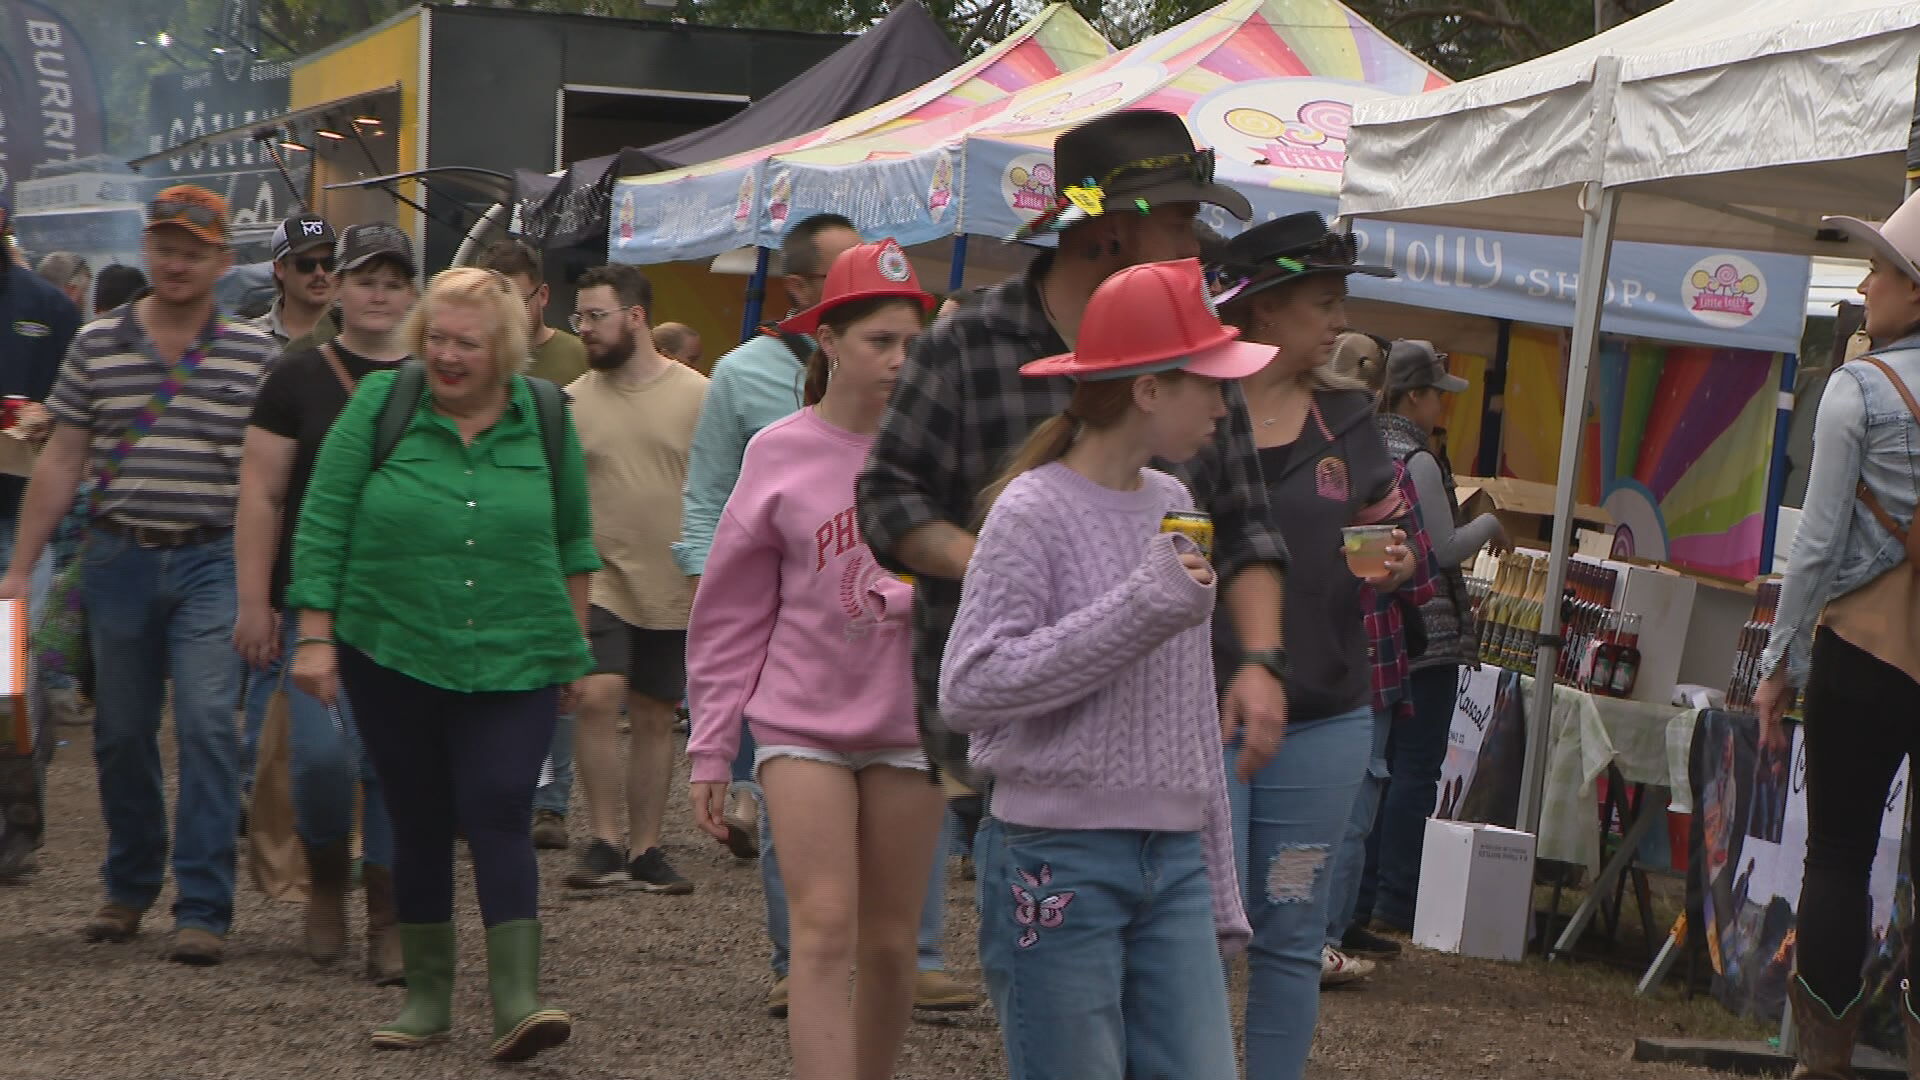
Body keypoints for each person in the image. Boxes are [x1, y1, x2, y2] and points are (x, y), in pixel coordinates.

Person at [857, 108, 1292, 822]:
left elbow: (1245, 522)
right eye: (1181, 223)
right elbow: (887, 503)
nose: (1197, 247)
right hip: (1005, 738)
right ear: (1108, 231)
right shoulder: (965, 344)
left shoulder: (1200, 352)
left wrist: (1262, 659)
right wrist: (1011, 563)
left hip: (1158, 738)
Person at [940, 257, 1268, 1080]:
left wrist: (1217, 882)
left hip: (1174, 860)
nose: (1225, 407)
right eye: (1209, 384)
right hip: (1057, 853)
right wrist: (1137, 609)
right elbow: (969, 687)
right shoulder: (1031, 510)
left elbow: (1188, 709)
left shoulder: (1173, 502)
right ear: (1149, 389)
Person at [287, 266, 596, 1062]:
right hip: (392, 645)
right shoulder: (381, 405)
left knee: (498, 806)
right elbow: (323, 519)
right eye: (437, 340)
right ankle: (426, 999)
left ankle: (516, 1000)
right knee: (417, 814)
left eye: (468, 343)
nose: (448, 357)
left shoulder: (550, 416)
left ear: (506, 350)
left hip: (518, 647)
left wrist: (574, 645)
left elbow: (573, 543)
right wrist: (316, 635)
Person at [677, 213, 980, 1015]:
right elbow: (730, 617)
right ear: (830, 342)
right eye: (878, 340)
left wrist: (921, 590)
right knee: (822, 930)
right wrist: (712, 749)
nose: (897, 360)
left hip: (912, 725)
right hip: (801, 724)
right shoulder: (778, 451)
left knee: (891, 946)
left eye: (912, 343)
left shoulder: (946, 455)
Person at [0, 186, 276, 963]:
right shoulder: (95, 343)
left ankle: (203, 905)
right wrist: (20, 569)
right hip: (118, 557)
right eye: (165, 246)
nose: (177, 262)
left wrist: (265, 589)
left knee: (207, 725)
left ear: (222, 261)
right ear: (146, 248)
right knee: (120, 735)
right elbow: (61, 458)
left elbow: (267, 481)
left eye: (193, 250)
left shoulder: (256, 355)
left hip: (212, 561)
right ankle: (127, 887)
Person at [1207, 212, 1415, 1080]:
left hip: (1326, 711)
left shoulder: (1347, 417)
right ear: (1261, 309)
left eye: (1341, 302)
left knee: (1291, 931)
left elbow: (1386, 538)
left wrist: (1393, 560)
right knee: (1200, 931)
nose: (1339, 322)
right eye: (1322, 304)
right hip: (1200, 710)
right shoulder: (1194, 404)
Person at [1753, 190, 1920, 1075]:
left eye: (1881, 270)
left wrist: (1780, 663)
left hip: (1859, 652)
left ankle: (1823, 1068)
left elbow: (1814, 548)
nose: (1864, 284)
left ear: (1917, 293)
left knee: (1840, 858)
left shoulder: (1859, 390)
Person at [235, 224, 418, 984]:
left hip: (409, 610)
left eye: (392, 279)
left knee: (395, 768)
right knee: (318, 760)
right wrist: (254, 598)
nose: (377, 292)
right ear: (335, 287)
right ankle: (326, 881)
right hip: (311, 608)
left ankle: (388, 915)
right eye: (362, 277)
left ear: (413, 292)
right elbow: (262, 491)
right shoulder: (293, 377)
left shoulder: (437, 375)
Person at [1355, 339, 1507, 940]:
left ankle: (1363, 898)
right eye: (1438, 394)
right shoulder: (1417, 459)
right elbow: (1443, 551)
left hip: (1379, 631)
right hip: (1428, 631)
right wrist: (1491, 523)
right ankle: (1396, 900)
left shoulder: (1363, 446)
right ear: (1414, 395)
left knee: (1377, 771)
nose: (1442, 406)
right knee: (1414, 771)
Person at [561, 263, 704, 895]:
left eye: (597, 315)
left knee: (653, 713)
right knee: (597, 696)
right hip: (599, 578)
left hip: (675, 581)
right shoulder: (569, 401)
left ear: (637, 317)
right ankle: (601, 838)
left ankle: (646, 847)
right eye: (580, 317)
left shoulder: (698, 395)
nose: (586, 329)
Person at [479, 238, 586, 849]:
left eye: (514, 299)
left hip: (550, 532)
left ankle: (551, 802)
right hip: (489, 535)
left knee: (558, 671)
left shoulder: (572, 360)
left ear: (541, 296)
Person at [0, 196, 82, 882]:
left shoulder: (47, 309)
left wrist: (43, 421)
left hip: (15, 523)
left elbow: (79, 410)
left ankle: (14, 825)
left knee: (6, 678)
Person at [248, 215, 340, 353]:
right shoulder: (251, 337)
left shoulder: (356, 332)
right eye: (306, 264)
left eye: (329, 263)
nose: (320, 273)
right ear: (280, 269)